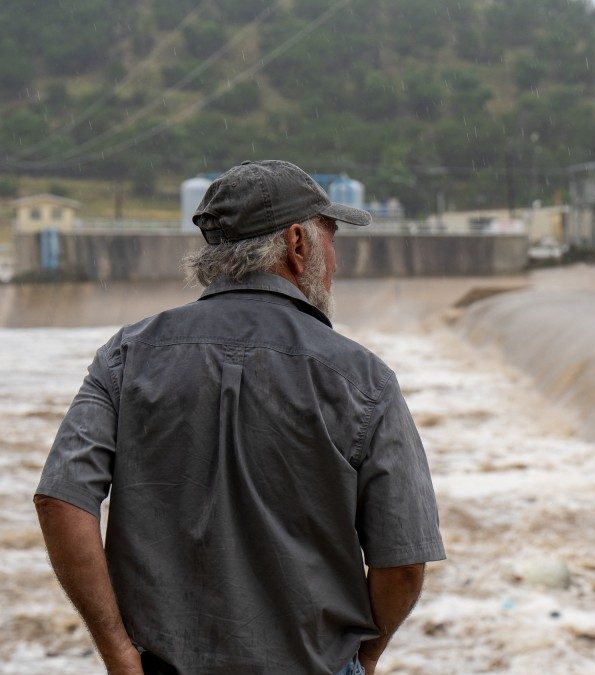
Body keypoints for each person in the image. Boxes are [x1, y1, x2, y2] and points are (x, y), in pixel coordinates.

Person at [33, 160, 445, 675]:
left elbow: (60, 500)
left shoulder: (125, 356)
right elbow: (403, 563)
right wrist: (363, 658)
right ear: (298, 245)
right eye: (331, 239)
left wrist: (118, 654)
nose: (334, 261)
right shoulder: (364, 379)